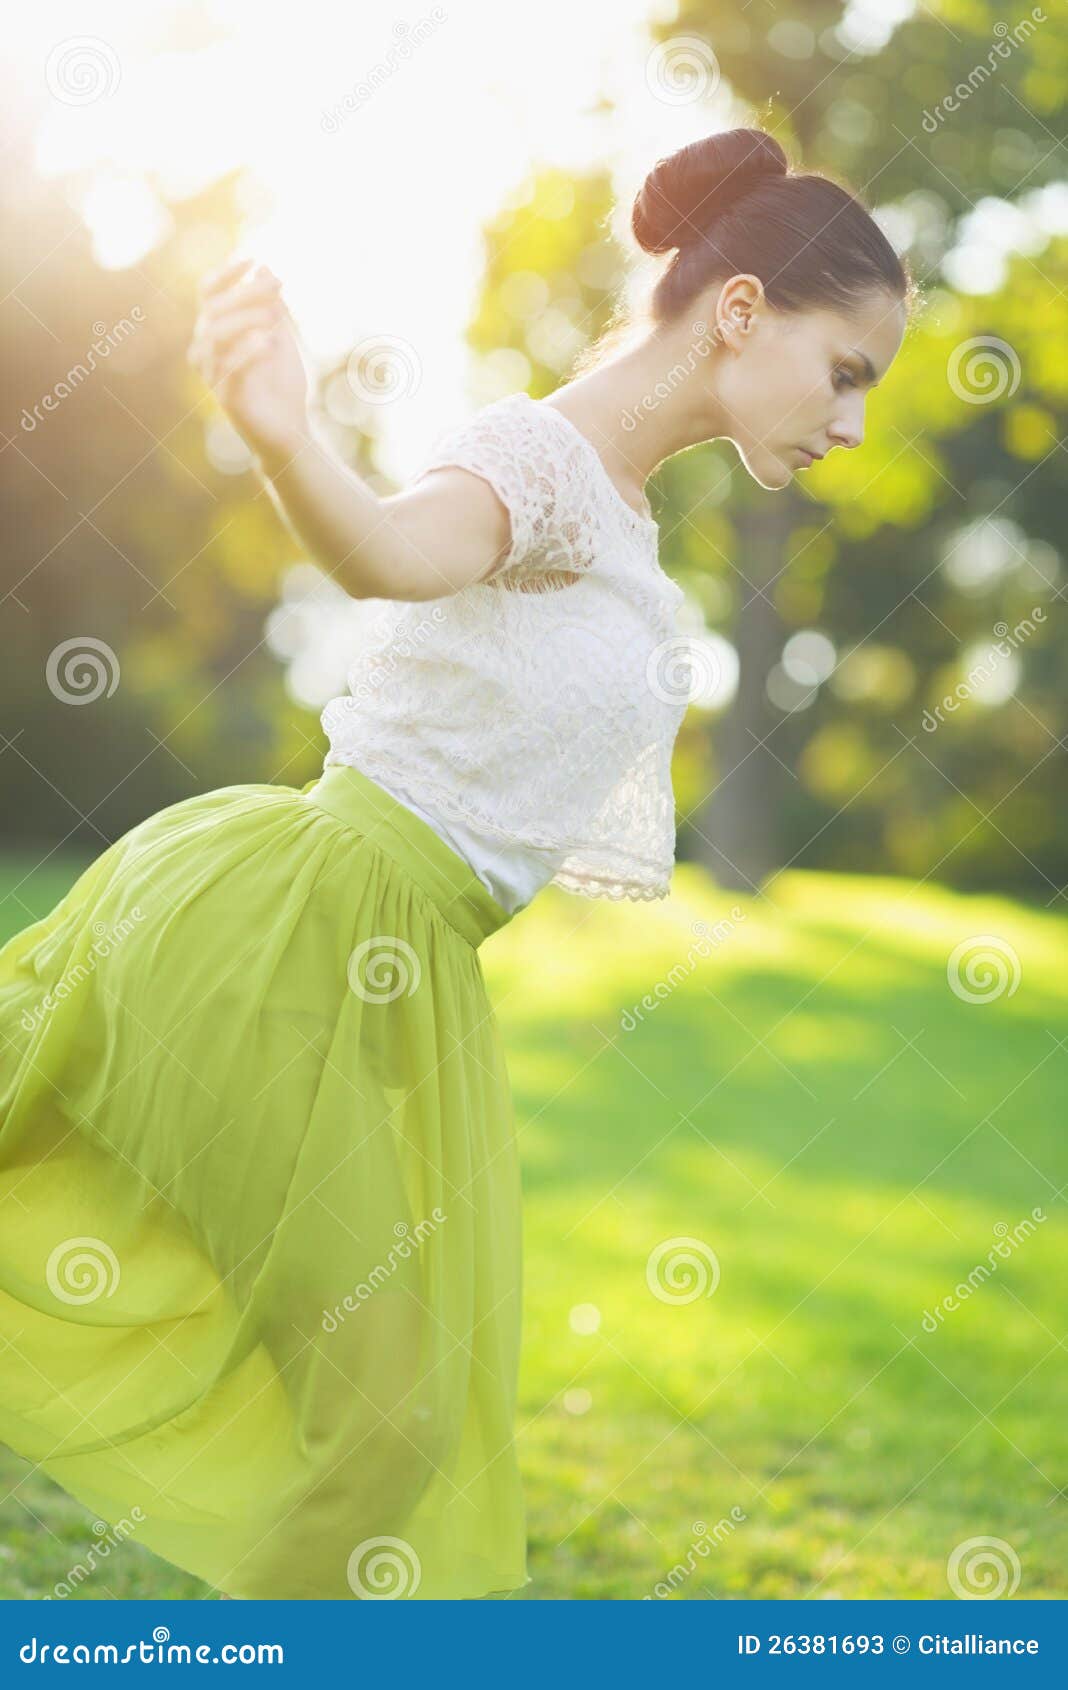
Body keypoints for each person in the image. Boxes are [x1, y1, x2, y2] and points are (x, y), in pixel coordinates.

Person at [0, 128, 913, 1601]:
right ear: (742, 310)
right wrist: (287, 436)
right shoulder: (543, 459)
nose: (855, 424)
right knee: (385, 1421)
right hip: (293, 934)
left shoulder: (621, 514)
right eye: (848, 371)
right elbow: (386, 553)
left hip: (395, 972)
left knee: (386, 1421)